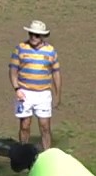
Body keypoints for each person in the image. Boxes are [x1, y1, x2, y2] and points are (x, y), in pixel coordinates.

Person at [10, 20, 62, 151]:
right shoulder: (20, 48)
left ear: (43, 36)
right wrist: (16, 88)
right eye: (31, 34)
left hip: (43, 93)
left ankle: (46, 154)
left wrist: (58, 94)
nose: (33, 37)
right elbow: (13, 70)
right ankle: (23, 151)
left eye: (37, 35)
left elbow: (56, 73)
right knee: (25, 125)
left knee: (45, 126)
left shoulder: (50, 51)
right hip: (25, 93)